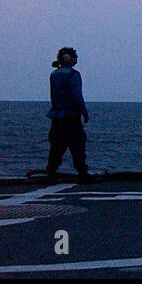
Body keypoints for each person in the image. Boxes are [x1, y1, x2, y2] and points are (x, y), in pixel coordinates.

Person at [46, 47, 94, 184]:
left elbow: (53, 95)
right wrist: (85, 112)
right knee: (77, 146)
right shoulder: (73, 75)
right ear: (71, 58)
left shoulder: (54, 75)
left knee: (56, 147)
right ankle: (82, 172)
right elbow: (77, 95)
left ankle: (51, 172)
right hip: (71, 117)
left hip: (57, 117)